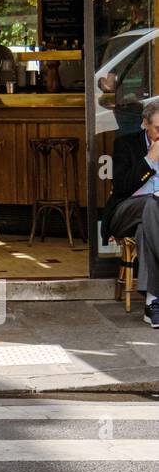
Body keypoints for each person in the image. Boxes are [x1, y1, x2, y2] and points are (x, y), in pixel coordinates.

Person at [101, 101, 159, 328]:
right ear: (145, 124)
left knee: (148, 225)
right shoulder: (126, 144)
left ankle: (153, 302)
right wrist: (149, 161)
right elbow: (122, 186)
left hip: (152, 217)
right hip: (126, 211)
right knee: (151, 204)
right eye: (157, 129)